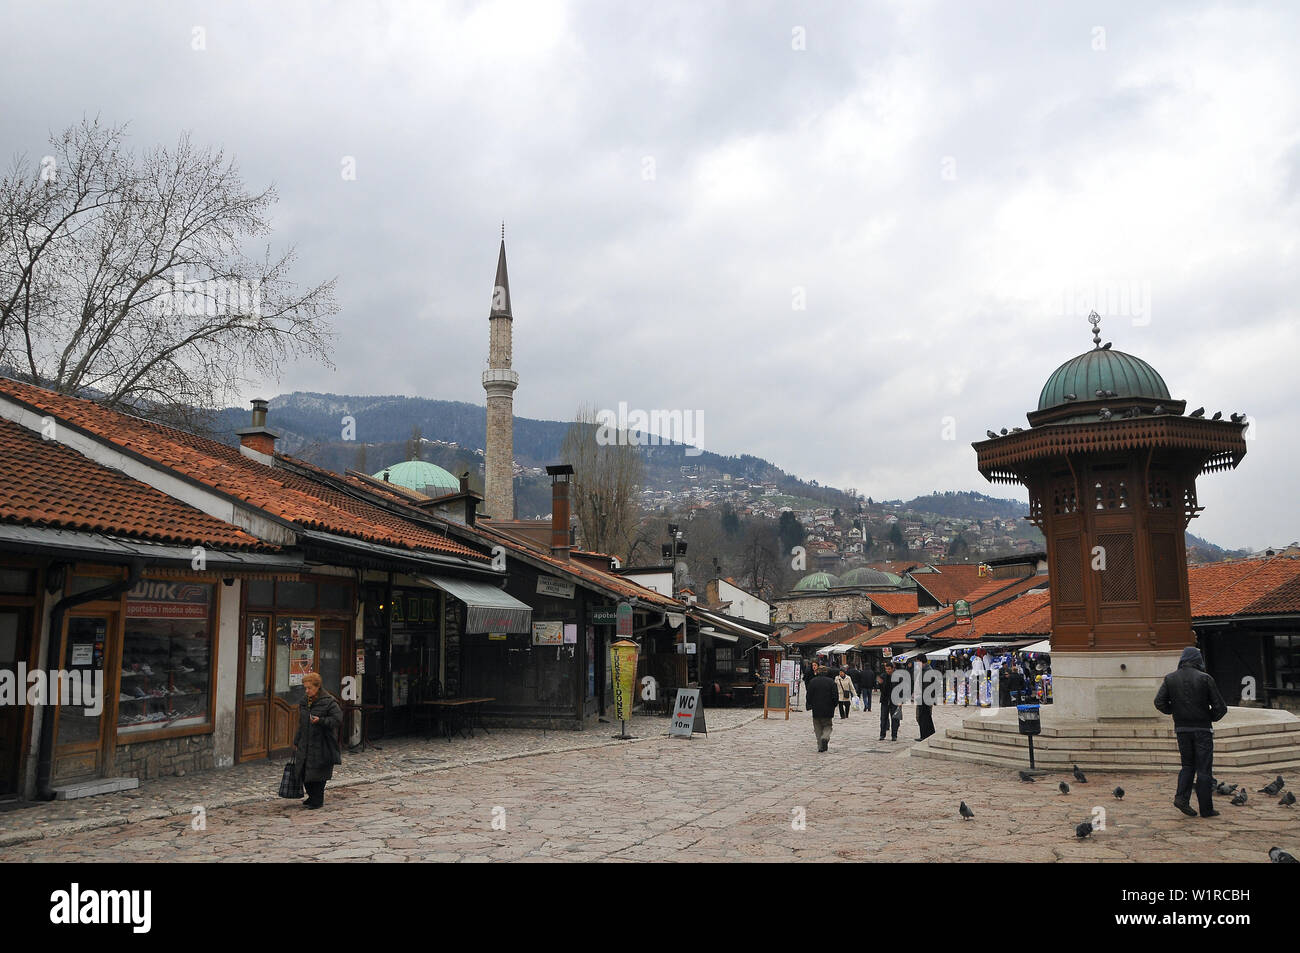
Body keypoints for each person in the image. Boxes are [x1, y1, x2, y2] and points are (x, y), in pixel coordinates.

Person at [1154, 645, 1228, 818]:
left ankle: (1181, 798)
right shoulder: (1205, 678)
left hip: (1182, 729)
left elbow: (1159, 702)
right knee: (1203, 769)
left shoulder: (1170, 678)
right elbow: (1221, 707)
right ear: (1198, 660)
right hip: (1202, 729)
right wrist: (1208, 717)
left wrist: (1175, 712)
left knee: (1187, 765)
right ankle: (1206, 809)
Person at [293, 672, 344, 809]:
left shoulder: (328, 701)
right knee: (303, 771)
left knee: (319, 773)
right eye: (305, 688)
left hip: (322, 743)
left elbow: (337, 719)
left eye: (309, 688)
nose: (307, 691)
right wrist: (297, 741)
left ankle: (317, 800)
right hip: (306, 741)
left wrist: (321, 721)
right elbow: (302, 723)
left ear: (317, 687)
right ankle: (311, 796)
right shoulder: (304, 701)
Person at [806, 663, 839, 752]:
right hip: (828, 709)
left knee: (817, 728)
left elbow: (808, 695)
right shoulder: (831, 682)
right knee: (828, 726)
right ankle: (825, 737)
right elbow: (835, 696)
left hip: (816, 709)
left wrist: (810, 704)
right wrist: (834, 704)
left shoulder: (813, 681)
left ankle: (820, 746)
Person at [915, 654, 936, 740]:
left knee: (923, 717)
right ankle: (930, 734)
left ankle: (924, 735)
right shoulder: (925, 670)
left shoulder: (927, 671)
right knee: (926, 717)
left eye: (917, 661)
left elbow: (927, 687)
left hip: (925, 698)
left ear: (920, 661)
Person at [878, 661, 900, 741]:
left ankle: (894, 735)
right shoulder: (883, 676)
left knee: (895, 718)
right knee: (883, 718)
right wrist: (880, 684)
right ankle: (882, 734)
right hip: (885, 700)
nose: (887, 671)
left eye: (889, 669)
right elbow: (882, 690)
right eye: (886, 669)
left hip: (895, 700)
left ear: (893, 669)